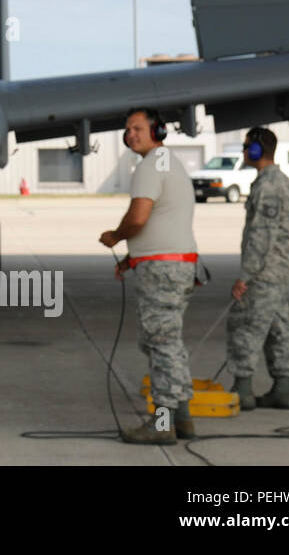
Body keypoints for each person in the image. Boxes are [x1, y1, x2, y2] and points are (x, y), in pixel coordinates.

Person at [99, 107, 199, 445]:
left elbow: (139, 217)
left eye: (138, 128)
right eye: (127, 130)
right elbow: (162, 223)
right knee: (169, 342)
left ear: (157, 130)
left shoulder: (149, 167)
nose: (131, 135)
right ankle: (182, 418)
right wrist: (131, 258)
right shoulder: (168, 162)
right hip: (174, 264)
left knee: (161, 344)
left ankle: (163, 422)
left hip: (162, 268)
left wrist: (115, 236)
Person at [226, 126, 289, 410]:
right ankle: (282, 387)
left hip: (264, 274)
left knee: (245, 326)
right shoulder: (284, 183)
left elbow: (261, 236)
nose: (244, 152)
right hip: (281, 272)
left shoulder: (268, 187)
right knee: (277, 327)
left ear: (257, 150)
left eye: (247, 147)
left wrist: (245, 277)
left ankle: (242, 388)